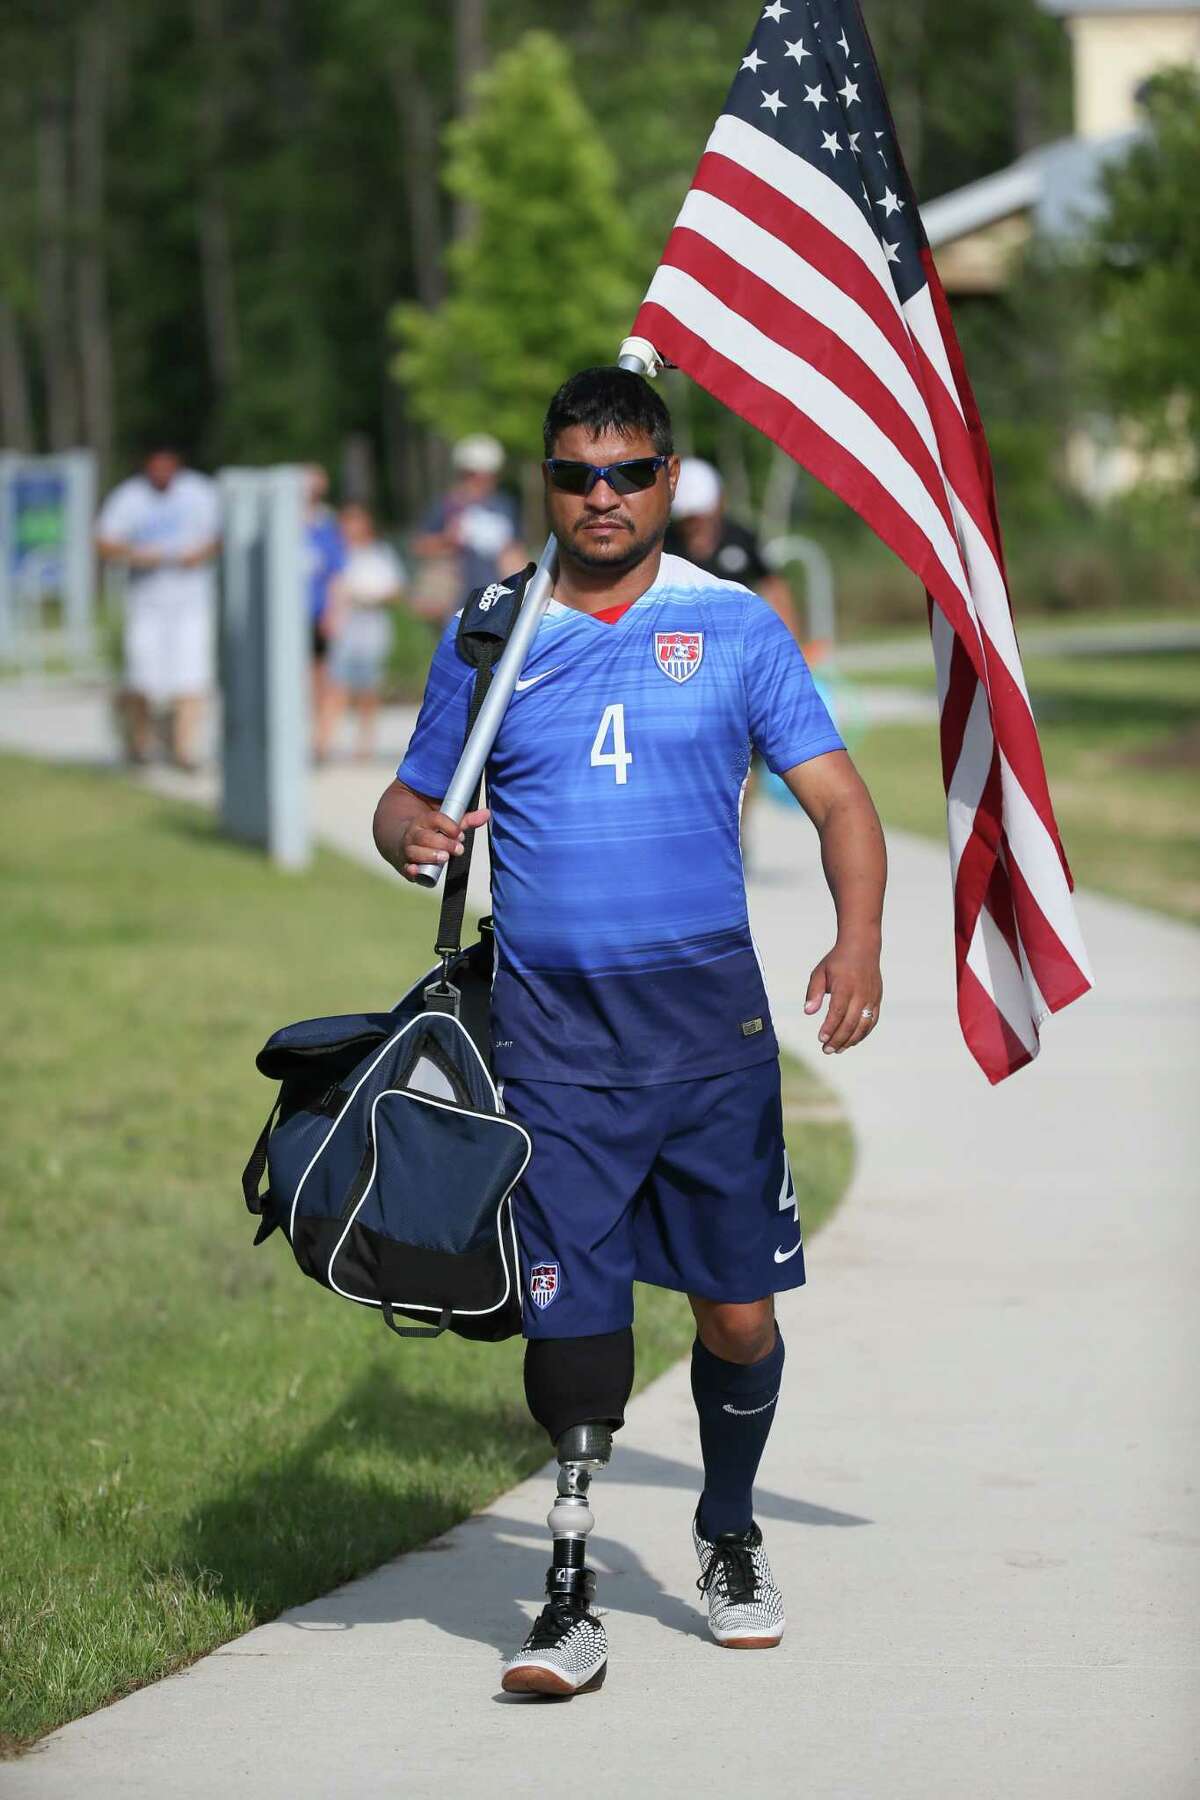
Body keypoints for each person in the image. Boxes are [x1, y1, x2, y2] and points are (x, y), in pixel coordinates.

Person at [373, 368, 886, 1699]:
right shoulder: (494, 631)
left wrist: (859, 937)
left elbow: (838, 802)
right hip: (553, 1041)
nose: (601, 497)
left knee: (735, 1313)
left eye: (628, 473)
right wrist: (411, 835)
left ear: (669, 479)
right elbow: (404, 799)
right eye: (576, 474)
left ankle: (726, 1533)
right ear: (547, 483)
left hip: (708, 1033)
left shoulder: (735, 628)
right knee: (572, 1326)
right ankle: (568, 1590)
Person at [668, 458, 805, 865]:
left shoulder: (742, 538)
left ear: (718, 504)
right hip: (684, 669)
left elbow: (775, 589)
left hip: (743, 669)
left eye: (700, 513)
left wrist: (793, 653)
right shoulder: (667, 543)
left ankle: (734, 832)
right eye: (687, 516)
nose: (694, 523)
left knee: (747, 761)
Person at [95, 442, 220, 770]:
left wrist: (201, 553)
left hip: (191, 602)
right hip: (146, 603)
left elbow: (221, 534)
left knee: (192, 679)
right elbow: (104, 542)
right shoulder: (129, 497)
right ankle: (139, 742)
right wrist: (136, 554)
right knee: (141, 679)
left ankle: (183, 749)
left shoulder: (199, 492)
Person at [317, 503, 407, 761]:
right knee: (336, 684)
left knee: (368, 687)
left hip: (372, 623)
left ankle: (364, 744)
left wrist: (371, 597)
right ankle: (323, 741)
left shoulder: (380, 553)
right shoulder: (337, 554)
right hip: (345, 623)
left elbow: (395, 590)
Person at [409, 433, 526, 622]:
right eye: (473, 474)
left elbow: (516, 551)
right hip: (457, 602)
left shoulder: (504, 506)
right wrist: (446, 539)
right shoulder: (447, 505)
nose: (480, 480)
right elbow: (419, 547)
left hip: (498, 601)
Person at [303, 465, 346, 755]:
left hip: (316, 612)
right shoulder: (282, 522)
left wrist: (333, 612)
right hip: (287, 617)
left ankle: (321, 740)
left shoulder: (325, 523)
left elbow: (336, 573)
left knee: (321, 678)